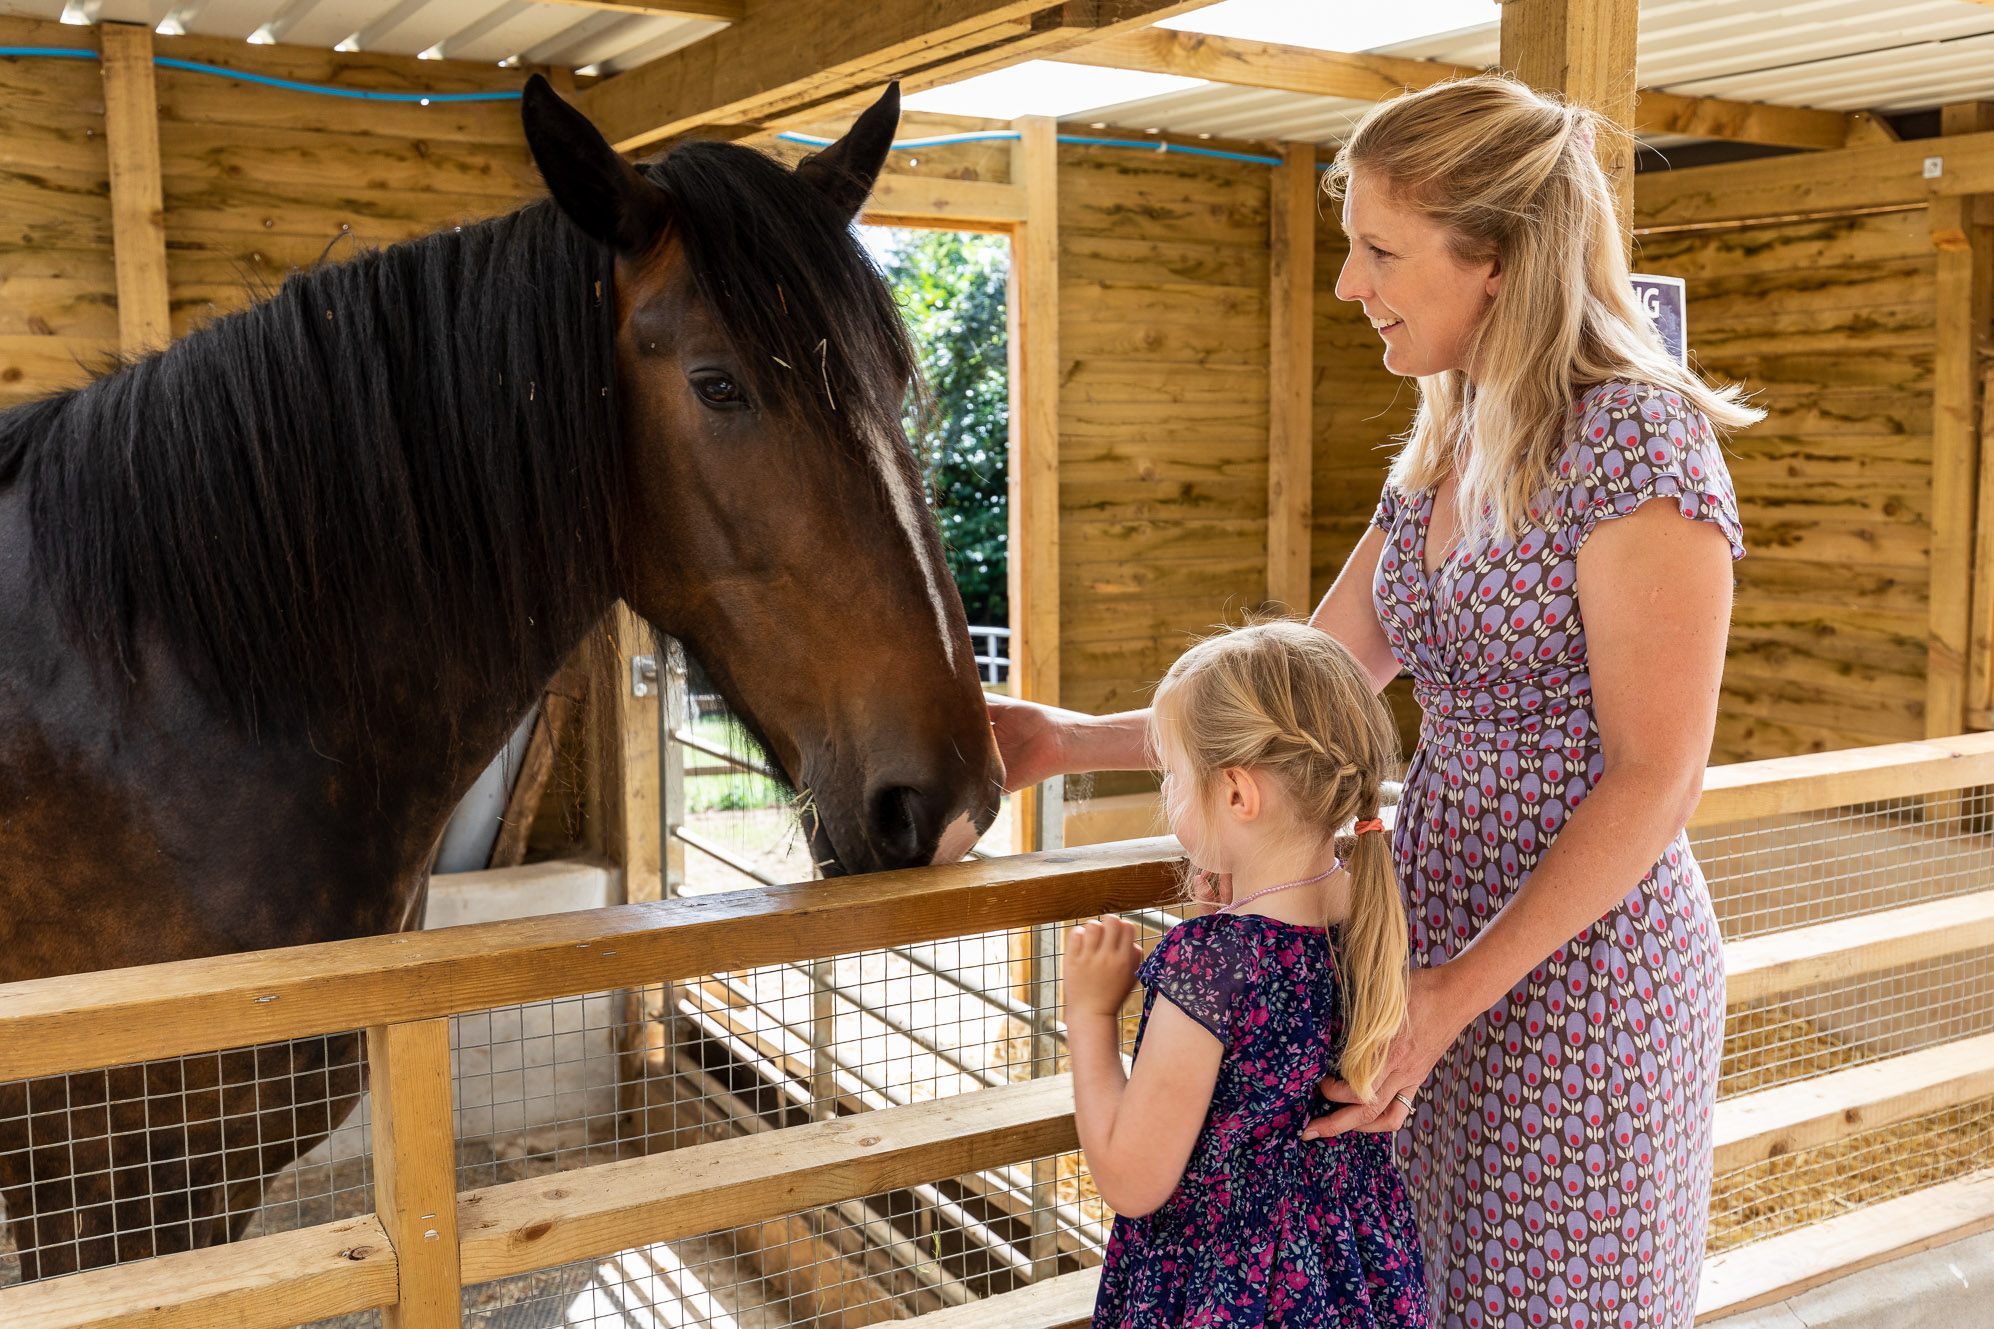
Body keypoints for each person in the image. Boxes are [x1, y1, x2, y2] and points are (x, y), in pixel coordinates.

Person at [995, 74, 1762, 1329]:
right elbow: (1307, 690)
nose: (1349, 284)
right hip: (1406, 963)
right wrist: (1065, 742)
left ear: (1500, 259)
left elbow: (1654, 776)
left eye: (1377, 251)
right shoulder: (1449, 434)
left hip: (1576, 981)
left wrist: (1455, 995)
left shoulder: (1638, 445)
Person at [1065, 620, 1427, 1328]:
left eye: (1171, 773)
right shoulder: (1367, 912)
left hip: (1230, 1290)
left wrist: (1090, 1014)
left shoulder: (1214, 964)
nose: (1168, 791)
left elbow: (1133, 1179)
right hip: (1349, 1272)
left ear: (1237, 794)